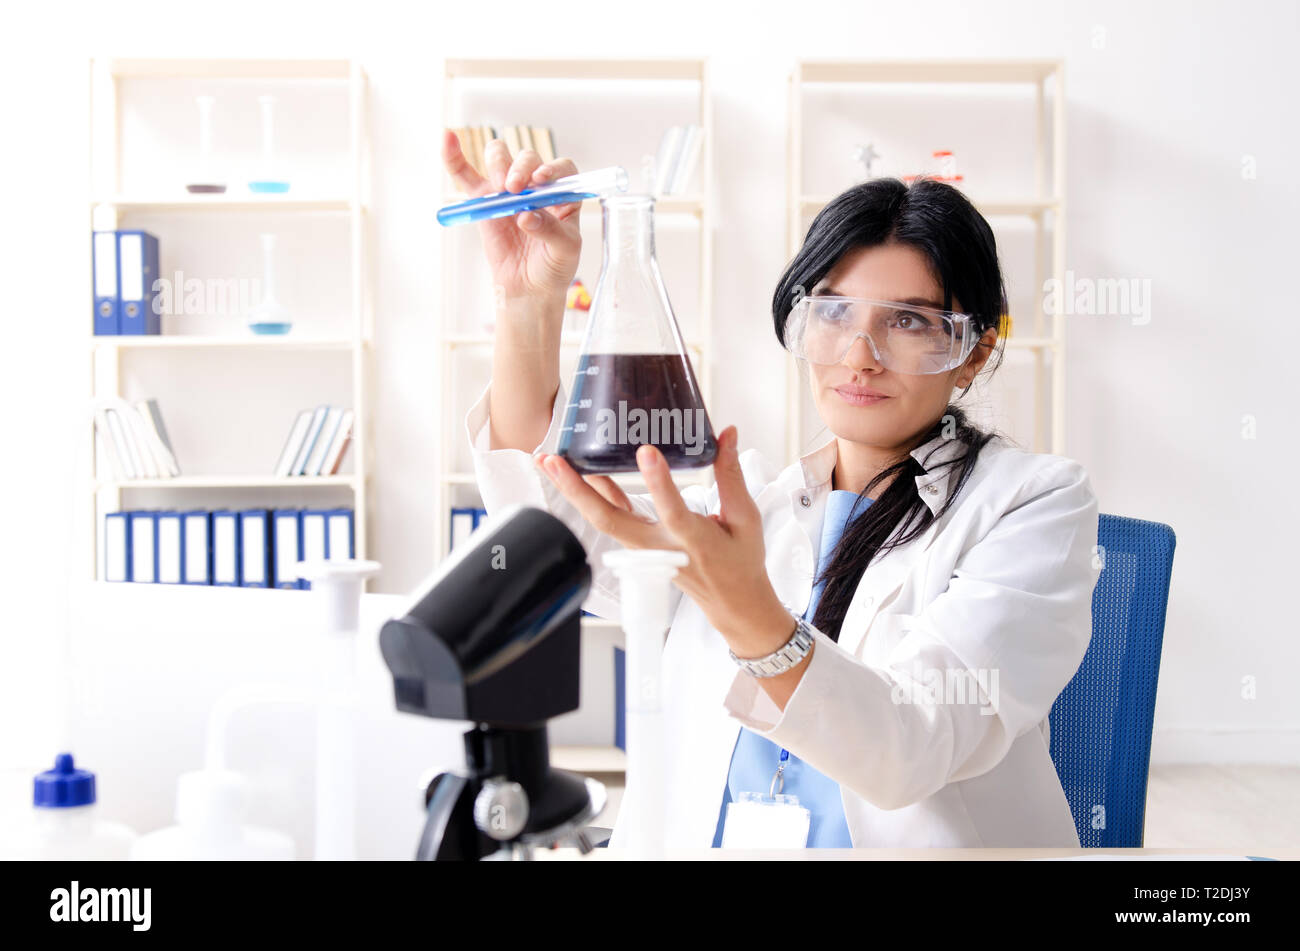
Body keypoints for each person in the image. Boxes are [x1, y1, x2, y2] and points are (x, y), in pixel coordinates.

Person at [443, 129, 1100, 850]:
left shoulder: (1034, 505)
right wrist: (527, 301)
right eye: (834, 311)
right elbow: (553, 533)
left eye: (908, 321)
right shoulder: (760, 502)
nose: (859, 354)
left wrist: (745, 606)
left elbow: (911, 746)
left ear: (970, 353)